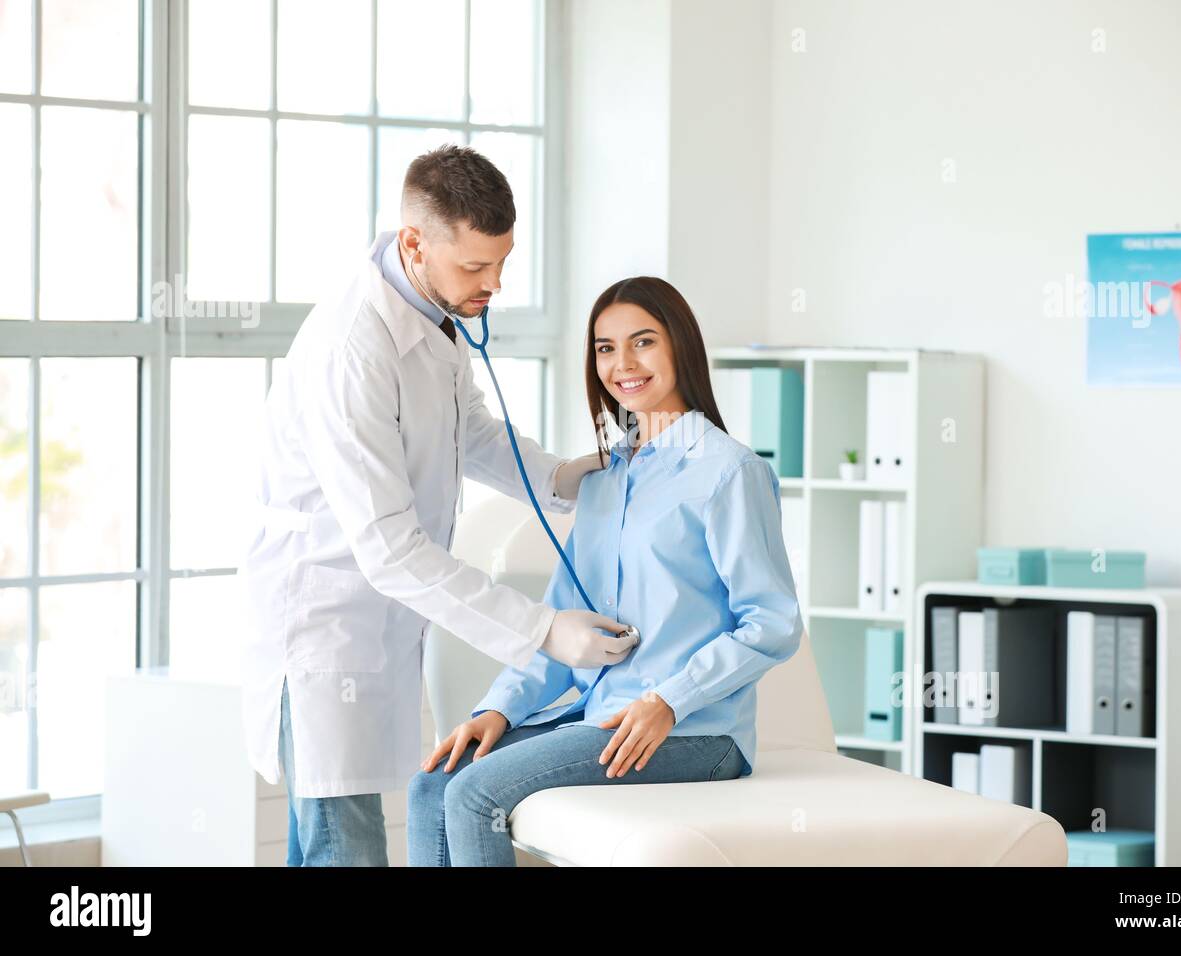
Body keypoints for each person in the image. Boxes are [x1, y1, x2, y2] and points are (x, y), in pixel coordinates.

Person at [241, 146, 638, 867]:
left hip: (377, 621)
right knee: (343, 848)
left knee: (332, 845)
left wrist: (561, 478)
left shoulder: (431, 311)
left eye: (501, 264)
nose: (493, 285)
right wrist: (545, 630)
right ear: (414, 243)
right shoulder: (353, 349)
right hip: (326, 626)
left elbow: (471, 432)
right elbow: (389, 548)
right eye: (475, 268)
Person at [407, 276, 803, 866]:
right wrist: (499, 707)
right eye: (605, 348)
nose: (624, 364)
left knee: (474, 793)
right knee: (435, 783)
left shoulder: (728, 472)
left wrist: (669, 699)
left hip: (696, 731)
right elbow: (564, 624)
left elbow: (771, 622)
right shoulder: (603, 479)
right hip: (602, 714)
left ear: (680, 347)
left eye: (643, 342)